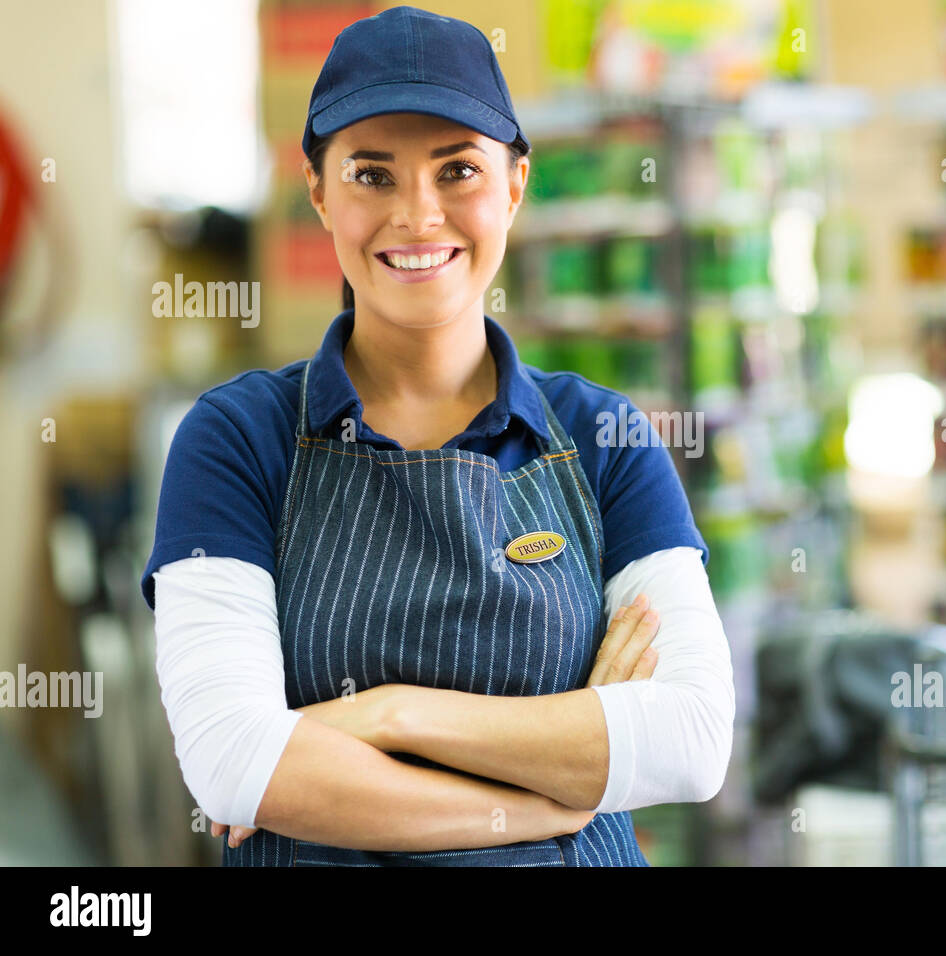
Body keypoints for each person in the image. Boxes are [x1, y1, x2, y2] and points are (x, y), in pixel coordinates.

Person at [140, 6, 734, 867]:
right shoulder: (237, 439)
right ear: (318, 192)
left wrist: (386, 714)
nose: (418, 215)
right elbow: (235, 764)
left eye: (458, 169)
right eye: (371, 176)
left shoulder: (604, 437)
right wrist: (551, 797)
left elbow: (691, 737)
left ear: (515, 183)